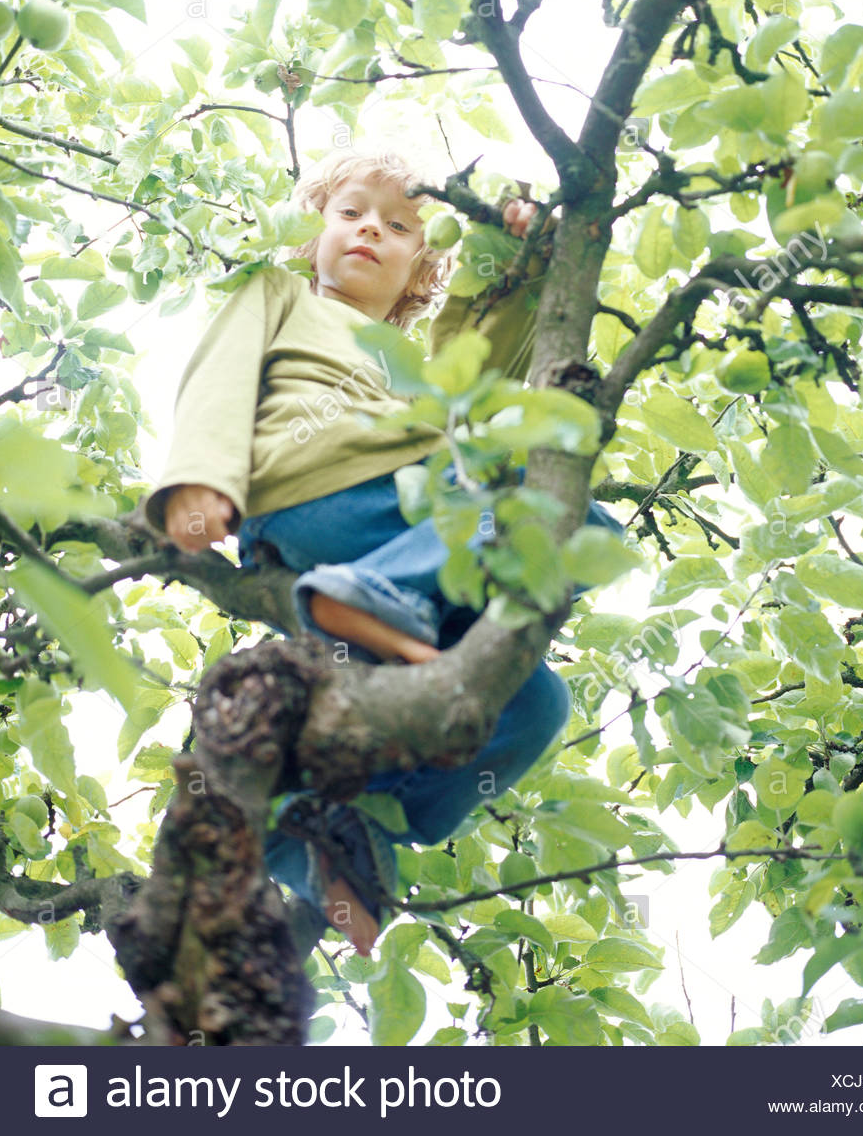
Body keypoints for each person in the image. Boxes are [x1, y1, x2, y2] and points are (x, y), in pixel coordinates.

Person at [144, 149, 622, 957]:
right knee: (554, 515)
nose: (371, 228)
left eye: (399, 226)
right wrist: (198, 481)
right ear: (311, 236)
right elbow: (218, 379)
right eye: (350, 213)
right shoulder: (282, 295)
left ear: (418, 273)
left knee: (536, 702)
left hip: (415, 527)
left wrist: (519, 258)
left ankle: (336, 827)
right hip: (321, 489)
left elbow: (484, 368)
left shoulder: (413, 369)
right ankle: (370, 596)